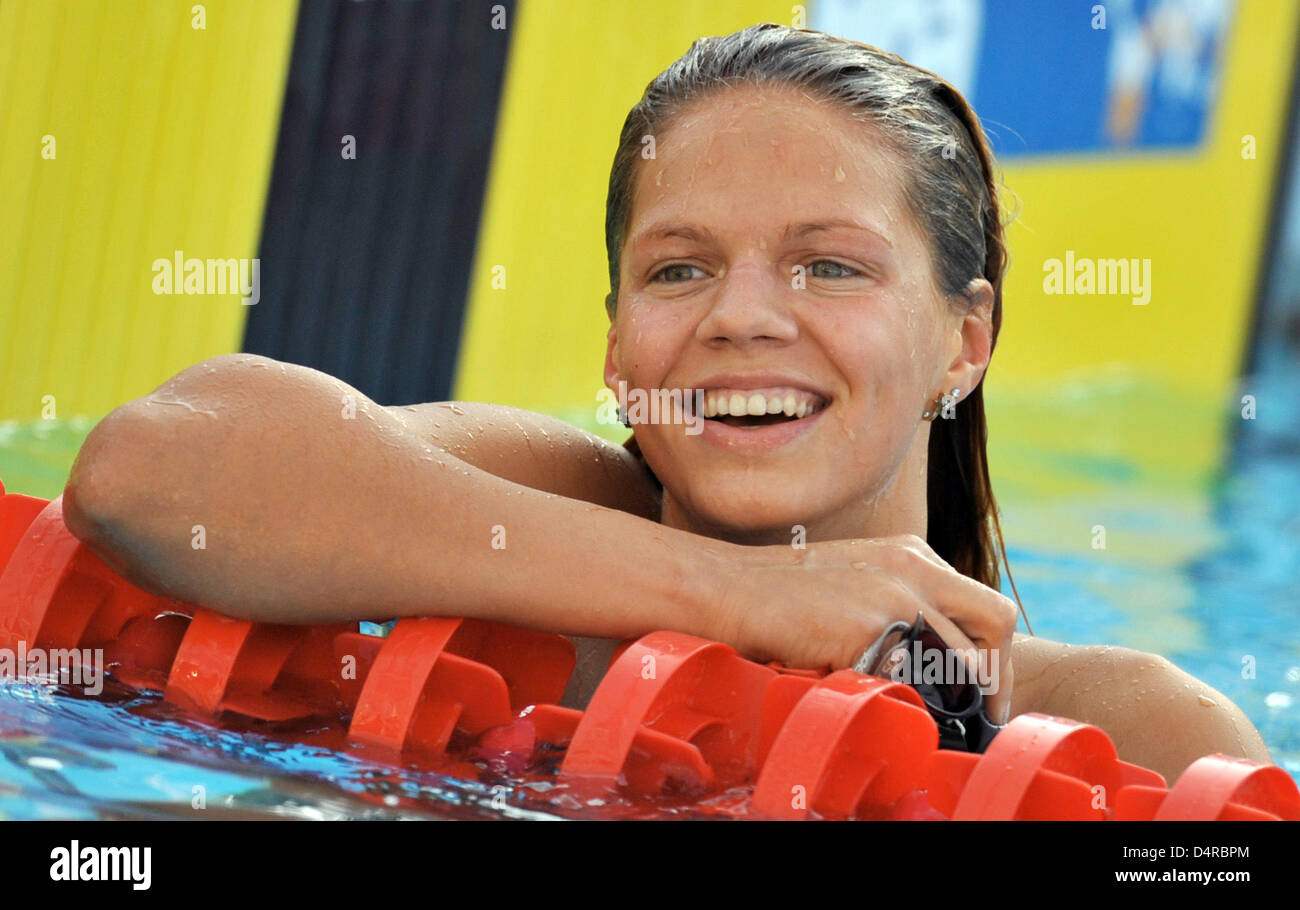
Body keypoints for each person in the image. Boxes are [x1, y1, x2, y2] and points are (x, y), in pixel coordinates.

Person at [62, 23, 1270, 785]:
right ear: (614, 346)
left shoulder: (1111, 729)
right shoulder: (524, 509)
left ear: (967, 340)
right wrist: (738, 591)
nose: (739, 316)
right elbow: (147, 473)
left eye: (829, 265)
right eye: (677, 269)